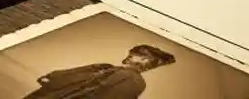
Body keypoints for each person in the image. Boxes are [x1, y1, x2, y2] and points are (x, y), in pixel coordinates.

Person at [22, 44, 177, 98]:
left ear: (145, 60)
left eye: (134, 56)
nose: (128, 57)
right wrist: (53, 78)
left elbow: (91, 92)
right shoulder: (110, 68)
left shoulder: (129, 79)